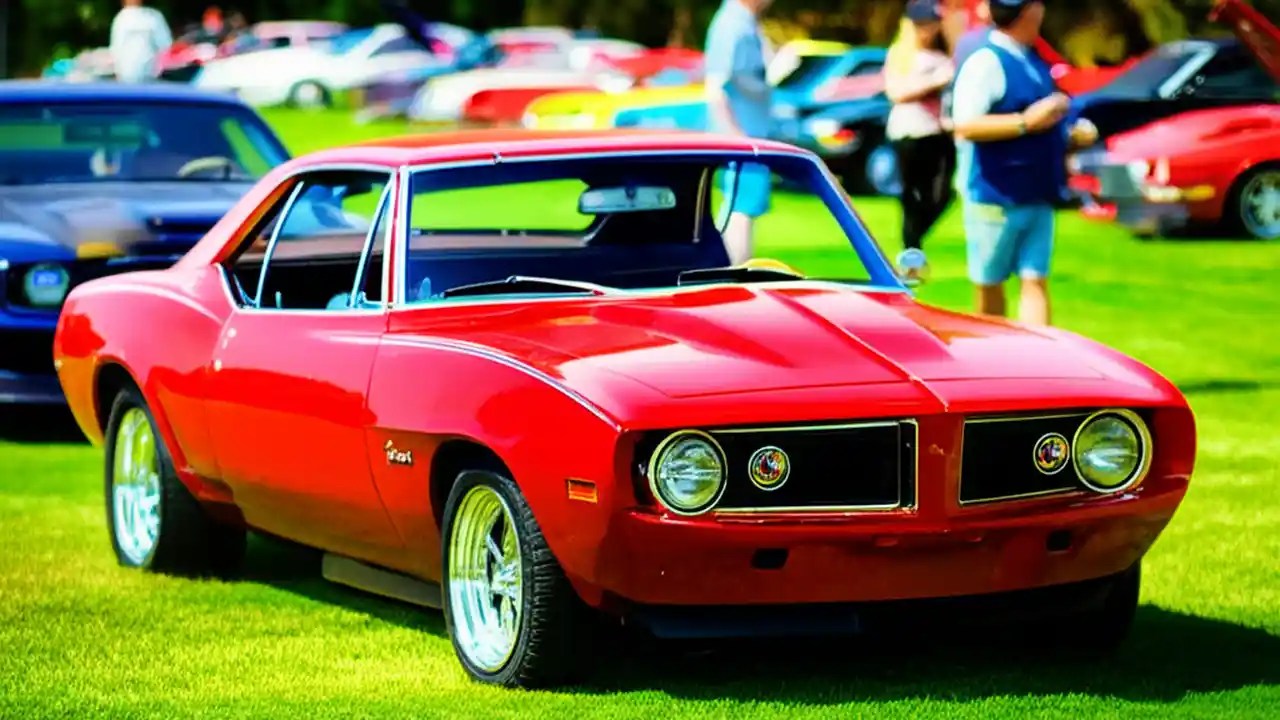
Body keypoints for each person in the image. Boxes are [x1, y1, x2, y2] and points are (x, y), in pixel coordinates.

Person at [950, 0, 1097, 326]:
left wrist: (1068, 135)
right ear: (1029, 12)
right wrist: (1025, 122)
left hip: (1038, 191)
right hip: (996, 195)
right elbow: (964, 125)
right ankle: (992, 363)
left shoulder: (1032, 59)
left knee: (1035, 280)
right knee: (990, 285)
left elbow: (1042, 123)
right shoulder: (986, 62)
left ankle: (1037, 364)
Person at [885, 1, 956, 279]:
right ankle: (911, 255)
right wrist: (934, 82)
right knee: (911, 198)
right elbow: (897, 93)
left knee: (941, 194)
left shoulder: (942, 55)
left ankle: (913, 242)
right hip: (908, 132)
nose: (929, 29)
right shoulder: (902, 55)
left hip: (937, 131)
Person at [704, 0, 775, 265]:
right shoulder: (731, 25)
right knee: (739, 211)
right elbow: (715, 88)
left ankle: (734, 277)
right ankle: (729, 277)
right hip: (741, 143)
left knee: (746, 210)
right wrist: (736, 139)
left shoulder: (747, 23)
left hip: (752, 140)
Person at [109, 0, 172, 83]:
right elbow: (116, 49)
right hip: (126, 76)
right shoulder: (120, 19)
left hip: (150, 76)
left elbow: (166, 46)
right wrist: (117, 71)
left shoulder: (153, 17)